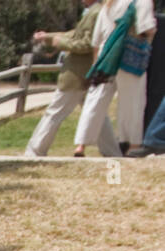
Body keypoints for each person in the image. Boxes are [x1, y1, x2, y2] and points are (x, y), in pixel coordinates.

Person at [25, 0, 118, 158]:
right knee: (98, 115)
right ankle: (113, 153)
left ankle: (35, 152)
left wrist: (62, 43)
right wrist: (48, 37)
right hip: (86, 75)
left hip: (77, 75)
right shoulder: (94, 11)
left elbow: (87, 44)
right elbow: (76, 34)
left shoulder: (95, 13)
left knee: (55, 112)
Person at [73, 0, 156, 156]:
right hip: (130, 57)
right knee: (133, 102)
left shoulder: (108, 4)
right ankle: (133, 144)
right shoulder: (142, 1)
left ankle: (81, 144)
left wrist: (96, 62)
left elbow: (96, 40)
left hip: (107, 57)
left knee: (95, 101)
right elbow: (146, 29)